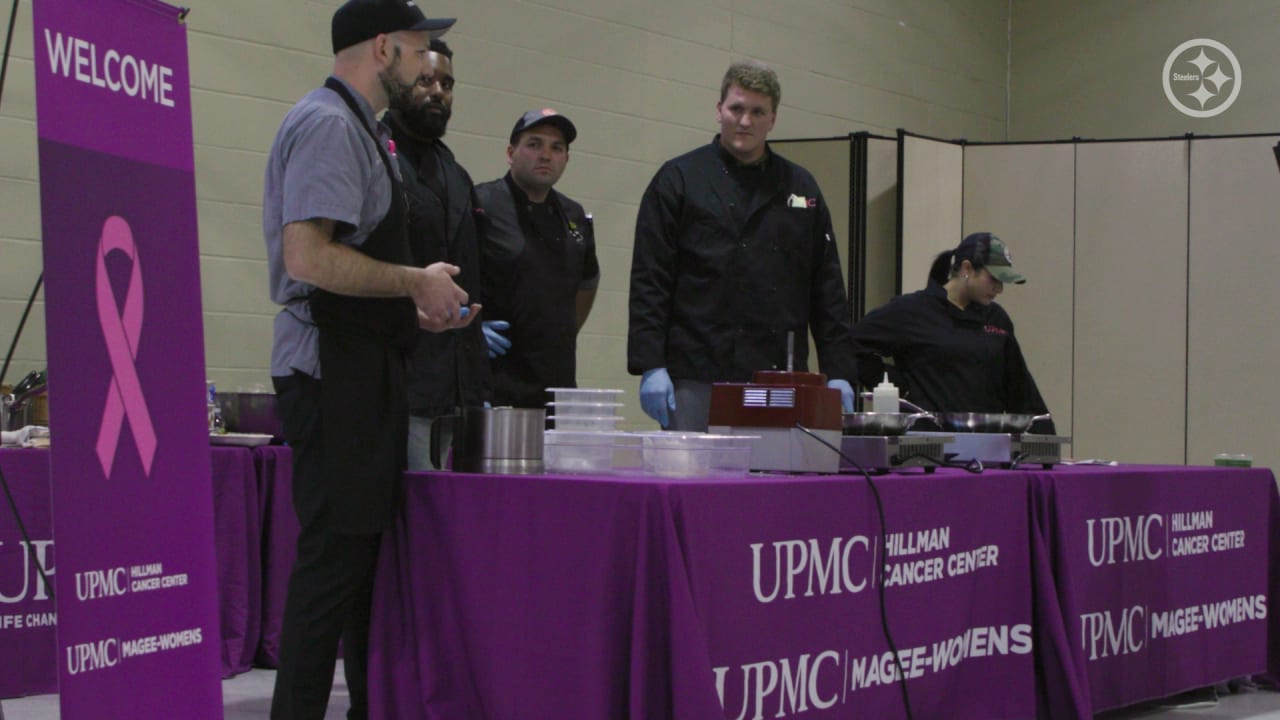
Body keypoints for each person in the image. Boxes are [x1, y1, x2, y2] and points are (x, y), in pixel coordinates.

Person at [261, 2, 474, 718]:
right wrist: (412, 281)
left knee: (355, 566)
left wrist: (413, 305)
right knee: (332, 566)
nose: (426, 63)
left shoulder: (365, 130)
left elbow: (352, 262)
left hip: (363, 366)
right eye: (417, 48)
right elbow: (308, 257)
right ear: (383, 48)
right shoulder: (328, 125)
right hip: (330, 374)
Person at [627, 60, 856, 431]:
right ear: (719, 110)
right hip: (696, 372)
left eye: (757, 112)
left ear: (773, 119)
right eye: (736, 109)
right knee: (696, 469)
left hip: (778, 375)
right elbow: (650, 279)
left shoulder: (801, 187)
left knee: (774, 468)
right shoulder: (679, 179)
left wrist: (840, 370)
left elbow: (827, 288)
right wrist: (651, 364)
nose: (745, 121)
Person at [384, 38, 490, 470]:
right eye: (425, 80)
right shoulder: (376, 157)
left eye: (447, 84)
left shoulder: (455, 173)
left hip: (460, 384)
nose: (438, 92)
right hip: (402, 378)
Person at [851, 231, 1055, 433]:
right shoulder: (912, 311)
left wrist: (1044, 435)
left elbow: (1019, 387)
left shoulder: (997, 319)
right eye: (993, 278)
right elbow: (850, 346)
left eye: (1002, 282)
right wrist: (897, 387)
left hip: (986, 444)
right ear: (967, 269)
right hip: (928, 443)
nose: (999, 288)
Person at [474, 109, 600, 409]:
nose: (546, 155)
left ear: (566, 159)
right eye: (534, 144)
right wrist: (468, 329)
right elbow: (449, 273)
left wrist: (562, 330)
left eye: (557, 148)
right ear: (510, 153)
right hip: (495, 381)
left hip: (556, 384)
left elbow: (588, 280)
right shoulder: (481, 204)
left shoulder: (573, 215)